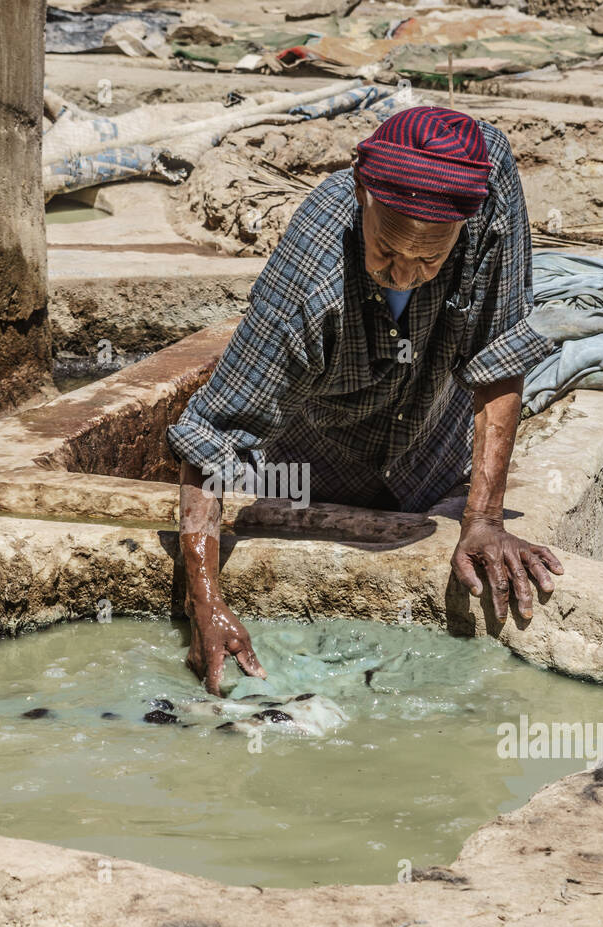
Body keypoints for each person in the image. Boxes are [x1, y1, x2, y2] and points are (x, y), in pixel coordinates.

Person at [167, 106, 564, 694]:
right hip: (317, 463)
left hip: (428, 449)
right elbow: (213, 438)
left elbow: (498, 353)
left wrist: (483, 519)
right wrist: (206, 605)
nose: (404, 275)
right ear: (361, 194)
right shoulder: (312, 268)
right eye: (387, 253)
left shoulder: (488, 184)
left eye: (429, 259)